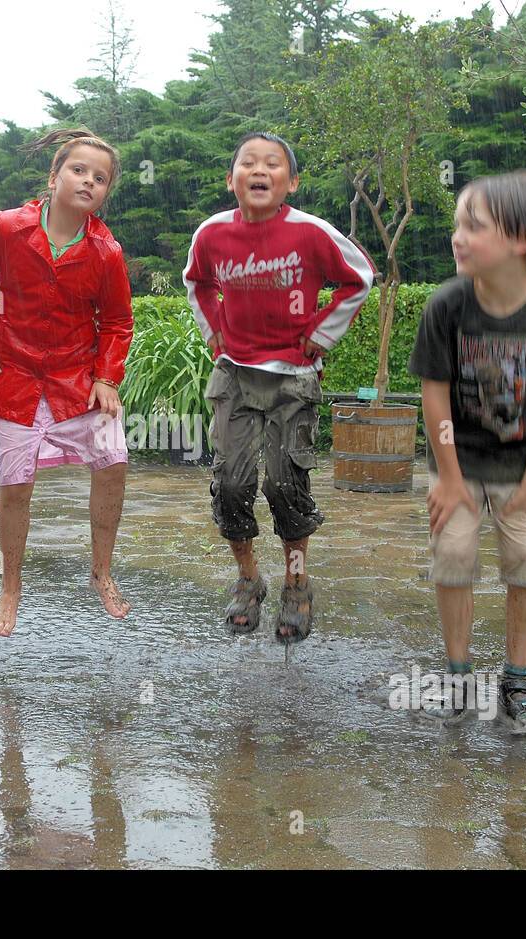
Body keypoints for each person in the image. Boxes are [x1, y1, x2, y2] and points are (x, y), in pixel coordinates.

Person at [407, 169, 526, 726]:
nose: (457, 235)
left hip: (519, 466)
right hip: (458, 462)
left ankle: (517, 680)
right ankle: (459, 677)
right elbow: (434, 398)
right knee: (454, 554)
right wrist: (450, 477)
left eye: (474, 225)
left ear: (520, 240)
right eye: (458, 222)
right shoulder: (447, 306)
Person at [184, 132, 375, 642]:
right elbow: (196, 282)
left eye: (273, 164)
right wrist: (214, 331)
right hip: (234, 375)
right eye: (248, 162)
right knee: (230, 485)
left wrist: (320, 334)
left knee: (285, 486)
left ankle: (296, 585)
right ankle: (248, 580)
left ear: (290, 181)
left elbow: (360, 275)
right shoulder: (211, 234)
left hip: (293, 377)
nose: (259, 170)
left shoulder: (312, 233)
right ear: (232, 180)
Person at [0, 129, 134, 638]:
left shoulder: (105, 250)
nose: (88, 181)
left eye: (101, 178)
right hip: (15, 377)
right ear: (54, 178)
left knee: (114, 461)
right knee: (15, 485)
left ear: (104, 194)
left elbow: (118, 321)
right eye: (78, 170)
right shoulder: (6, 229)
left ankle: (101, 571)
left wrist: (106, 377)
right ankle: (10, 586)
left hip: (78, 380)